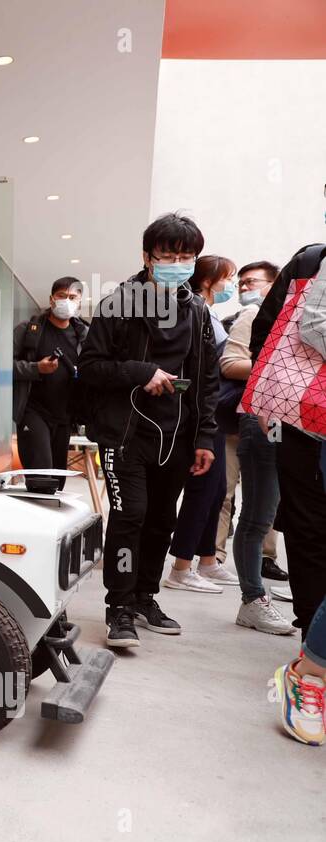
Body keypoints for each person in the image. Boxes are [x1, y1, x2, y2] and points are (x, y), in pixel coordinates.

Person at [80, 213, 220, 649]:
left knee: (162, 520)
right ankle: (118, 606)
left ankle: (145, 596)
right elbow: (89, 369)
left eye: (186, 257)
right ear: (147, 257)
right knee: (130, 515)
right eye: (168, 256)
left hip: (176, 435)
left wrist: (204, 437)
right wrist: (141, 371)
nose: (178, 264)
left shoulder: (196, 310)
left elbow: (207, 381)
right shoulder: (118, 304)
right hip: (126, 433)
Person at [255, 244, 326, 743]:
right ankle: (313, 661)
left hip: (301, 421)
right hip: (306, 424)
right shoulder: (314, 262)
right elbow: (302, 328)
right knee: (306, 530)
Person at [218, 260, 295, 634]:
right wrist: (279, 368)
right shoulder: (256, 315)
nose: (247, 287)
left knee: (292, 515)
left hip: (305, 425)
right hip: (265, 417)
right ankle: (252, 598)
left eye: (254, 281)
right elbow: (231, 363)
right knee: (258, 513)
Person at [164, 256, 237, 592]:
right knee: (203, 487)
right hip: (203, 410)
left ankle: (207, 559)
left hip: (214, 411)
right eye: (228, 279)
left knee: (217, 489)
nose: (230, 286)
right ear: (209, 280)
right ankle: (181, 565)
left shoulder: (211, 312)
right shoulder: (198, 311)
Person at [13, 277, 88, 470]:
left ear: (79, 302)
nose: (66, 301)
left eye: (72, 297)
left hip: (65, 417)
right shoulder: (29, 330)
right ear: (51, 299)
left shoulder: (84, 336)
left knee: (57, 478)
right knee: (41, 473)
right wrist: (36, 368)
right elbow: (4, 367)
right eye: (61, 296)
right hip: (33, 411)